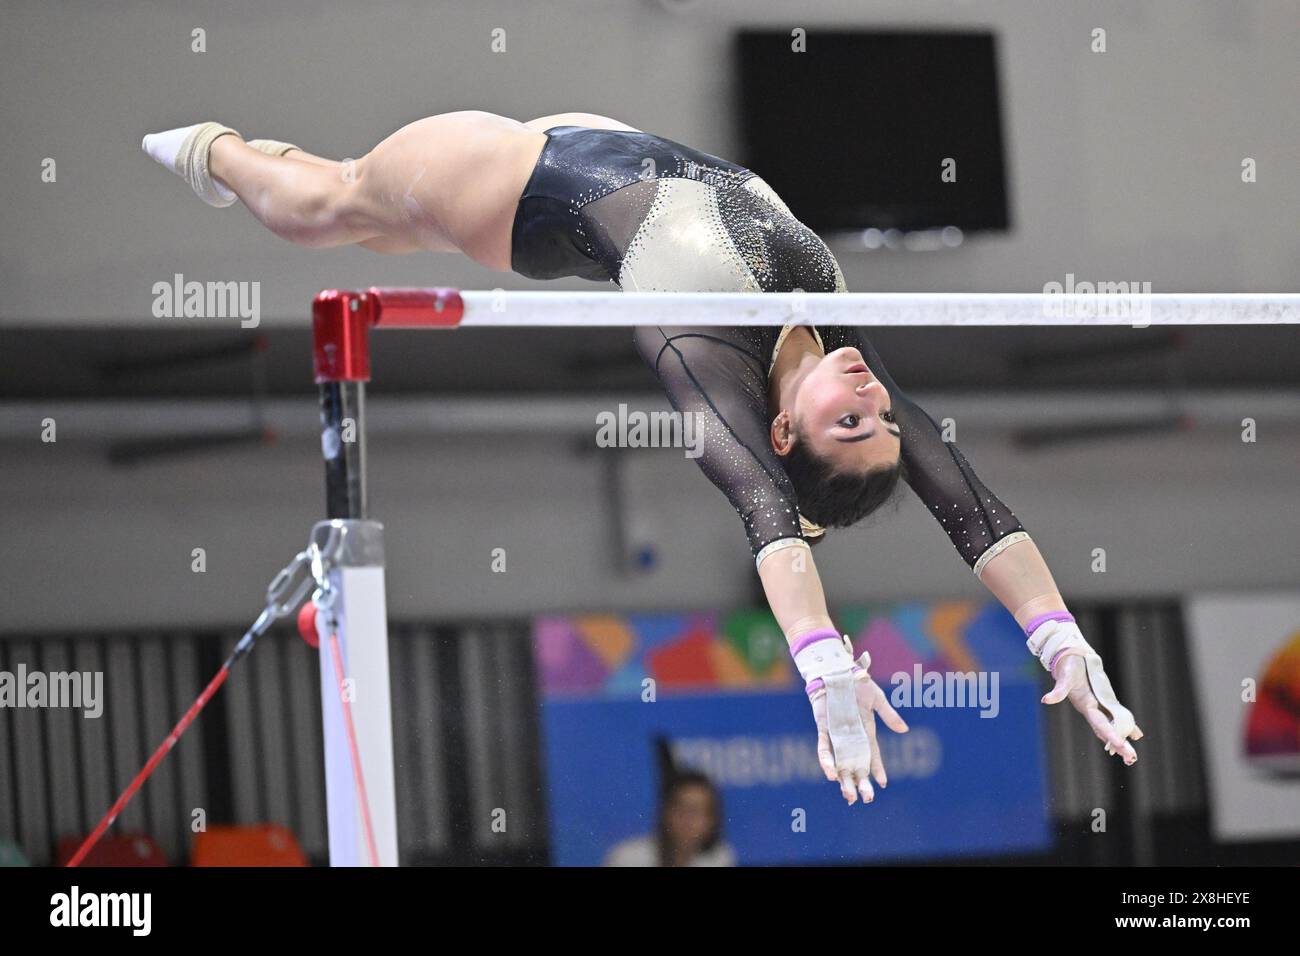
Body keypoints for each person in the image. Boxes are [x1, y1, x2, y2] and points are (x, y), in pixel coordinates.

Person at [143, 110, 1143, 807]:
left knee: (339, 206)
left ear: (786, 429)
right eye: (880, 413)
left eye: (853, 420)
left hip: (513, 183)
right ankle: (257, 162)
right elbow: (968, 503)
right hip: (614, 144)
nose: (873, 394)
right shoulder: (838, 349)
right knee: (353, 212)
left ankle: (221, 155)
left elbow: (763, 507)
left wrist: (822, 655)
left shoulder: (702, 347)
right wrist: (1054, 633)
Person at [604, 771, 735, 867]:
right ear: (665, 812)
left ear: (712, 820)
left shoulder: (719, 859)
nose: (687, 819)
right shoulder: (627, 859)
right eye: (681, 808)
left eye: (696, 811)